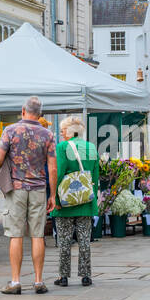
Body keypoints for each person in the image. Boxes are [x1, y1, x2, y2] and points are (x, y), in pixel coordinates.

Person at [0, 96, 57, 295]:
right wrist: (52, 194)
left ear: (23, 110)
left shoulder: (10, 131)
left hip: (16, 189)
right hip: (38, 189)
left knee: (16, 234)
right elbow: (53, 168)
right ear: (40, 114)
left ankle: (15, 282)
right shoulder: (48, 134)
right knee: (37, 235)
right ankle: (38, 281)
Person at [50, 115, 99, 288]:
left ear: (70, 131)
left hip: (66, 200)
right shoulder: (91, 147)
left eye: (63, 130)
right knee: (85, 239)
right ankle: (86, 276)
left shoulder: (62, 147)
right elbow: (95, 173)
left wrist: (54, 197)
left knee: (64, 240)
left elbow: (58, 171)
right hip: (85, 199)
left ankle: (63, 276)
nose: (61, 133)